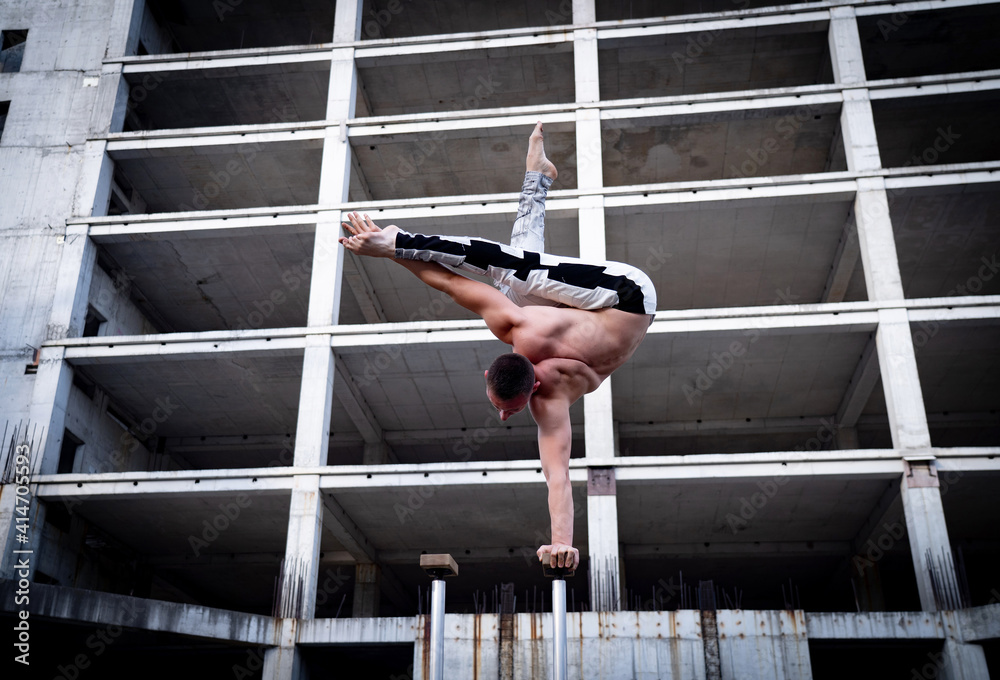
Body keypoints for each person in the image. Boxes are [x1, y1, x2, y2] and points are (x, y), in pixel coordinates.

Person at [340, 122, 656, 571]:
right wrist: (560, 543)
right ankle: (403, 234)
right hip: (629, 297)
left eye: (502, 408)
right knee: (512, 273)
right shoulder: (533, 358)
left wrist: (394, 256)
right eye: (509, 409)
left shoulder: (519, 332)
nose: (506, 415)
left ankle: (536, 178)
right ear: (522, 388)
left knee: (517, 274)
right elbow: (559, 474)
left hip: (599, 305)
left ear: (495, 375)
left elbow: (449, 283)